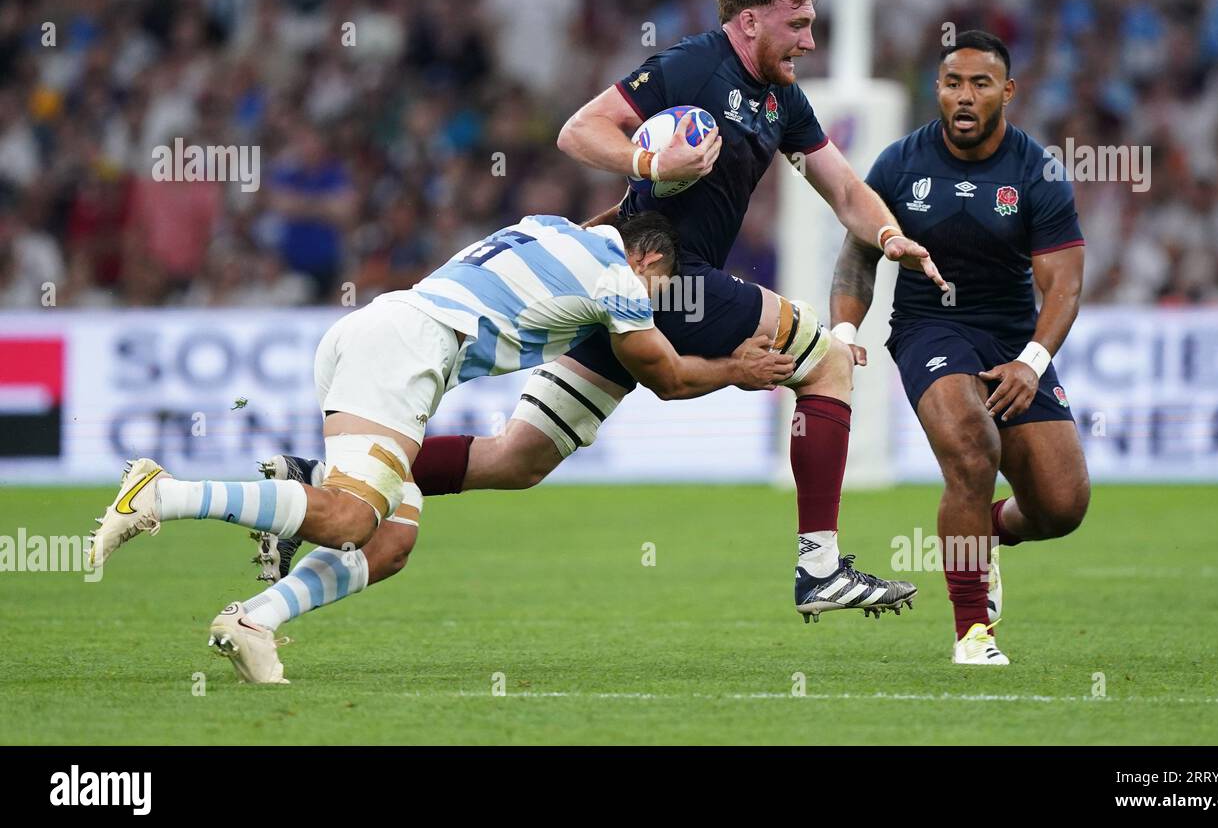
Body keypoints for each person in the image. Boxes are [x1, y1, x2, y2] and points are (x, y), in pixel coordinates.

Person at [260, 0, 943, 625]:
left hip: (619, 291)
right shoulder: (693, 65)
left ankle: (317, 483)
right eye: (796, 24)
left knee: (515, 458)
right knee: (825, 365)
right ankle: (819, 567)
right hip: (667, 280)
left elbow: (847, 190)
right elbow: (579, 129)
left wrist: (889, 237)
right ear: (747, 22)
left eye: (811, 23)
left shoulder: (782, 99)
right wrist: (652, 159)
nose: (809, 40)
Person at [88, 212, 793, 683]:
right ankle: (162, 491)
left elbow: (603, 217)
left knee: (390, 542)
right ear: (646, 257)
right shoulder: (620, 276)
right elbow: (665, 375)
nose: (652, 299)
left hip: (380, 334)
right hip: (410, 346)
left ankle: (252, 619)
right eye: (659, 284)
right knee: (347, 519)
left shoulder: (545, 227)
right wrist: (740, 370)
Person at [829, 30, 1090, 665]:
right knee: (973, 452)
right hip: (929, 329)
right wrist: (843, 333)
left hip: (1009, 335)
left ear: (1008, 91)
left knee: (1061, 506)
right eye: (951, 83)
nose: (964, 96)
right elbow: (857, 259)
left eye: (979, 83)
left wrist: (1032, 362)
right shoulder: (899, 164)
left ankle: (988, 533)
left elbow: (1063, 286)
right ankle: (973, 630)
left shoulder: (1037, 171)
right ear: (937, 91)